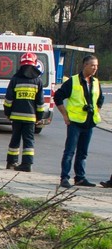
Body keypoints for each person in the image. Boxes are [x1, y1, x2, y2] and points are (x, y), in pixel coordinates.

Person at [57, 54, 102, 188]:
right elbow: (58, 97)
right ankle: (64, 177)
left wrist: (96, 112)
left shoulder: (95, 82)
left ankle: (80, 178)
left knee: (83, 152)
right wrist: (65, 115)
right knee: (70, 151)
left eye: (97, 66)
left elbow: (100, 100)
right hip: (75, 123)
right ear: (85, 65)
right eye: (92, 65)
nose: (95, 68)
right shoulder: (73, 81)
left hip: (89, 122)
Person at [2, 52, 46, 173]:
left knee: (15, 139)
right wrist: (39, 116)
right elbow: (40, 102)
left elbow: (8, 99)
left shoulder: (15, 79)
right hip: (31, 118)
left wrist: (7, 113)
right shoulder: (38, 81)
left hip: (16, 116)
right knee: (29, 140)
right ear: (34, 65)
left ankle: (11, 162)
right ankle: (27, 164)